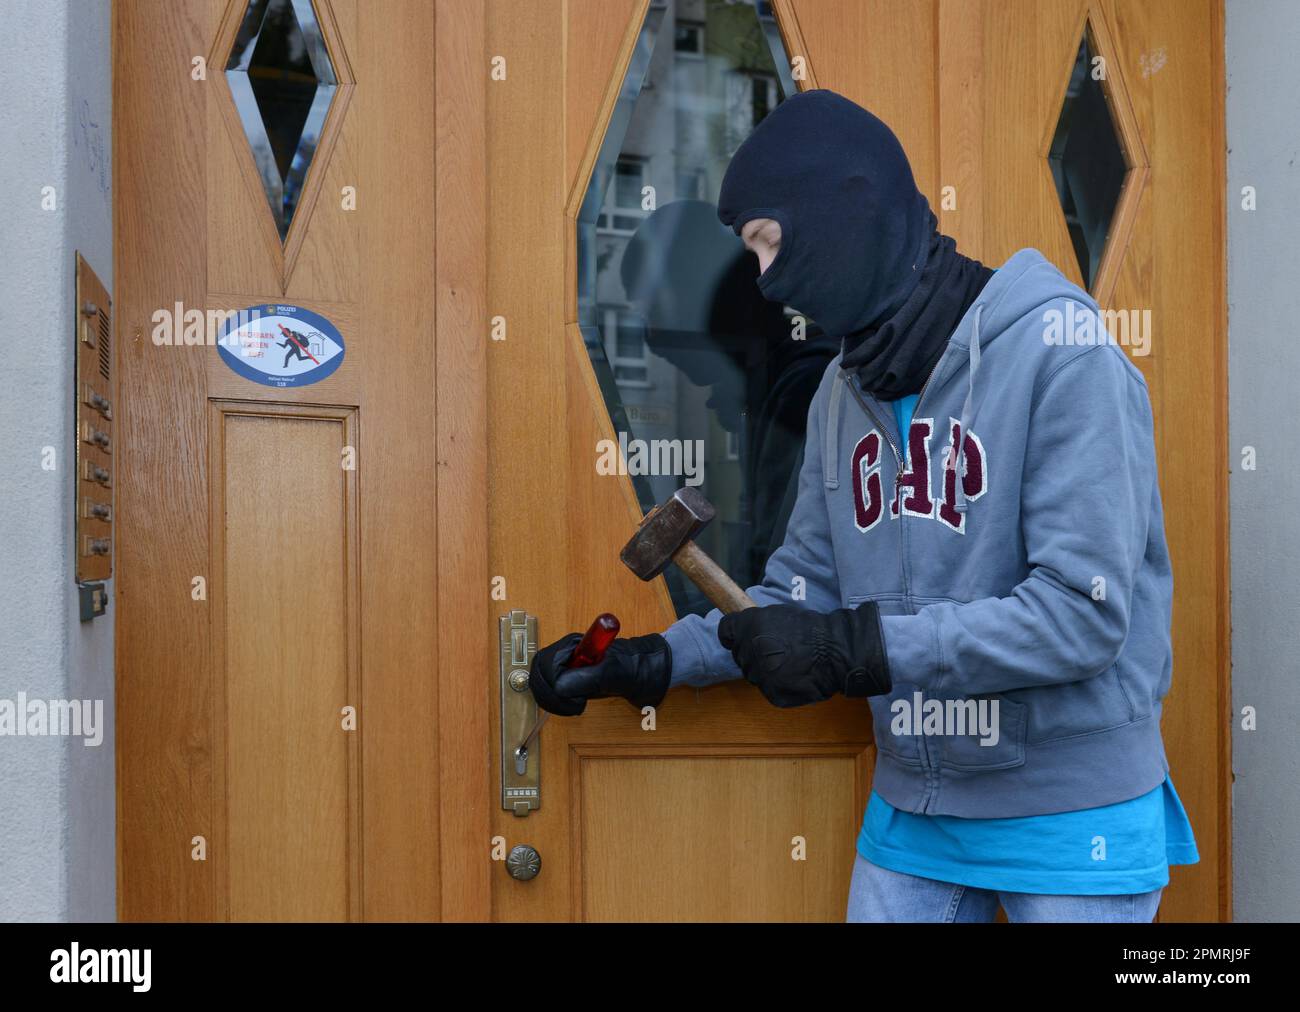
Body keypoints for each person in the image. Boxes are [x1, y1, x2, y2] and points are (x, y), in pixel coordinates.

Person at [529, 89, 1198, 923]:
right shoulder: (843, 395)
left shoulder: (1062, 356)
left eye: (768, 244)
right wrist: (651, 664)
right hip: (914, 811)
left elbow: (1080, 617)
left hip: (1071, 818)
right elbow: (802, 595)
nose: (767, 284)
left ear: (846, 209)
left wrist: (855, 647)